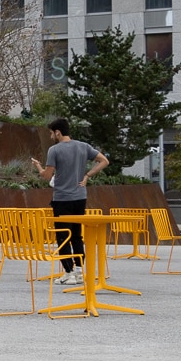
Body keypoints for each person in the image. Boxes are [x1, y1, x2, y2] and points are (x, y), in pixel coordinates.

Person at [31, 118, 109, 284]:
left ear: (58, 132)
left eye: (52, 133)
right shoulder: (83, 146)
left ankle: (68, 273)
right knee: (76, 235)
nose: (51, 136)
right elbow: (104, 161)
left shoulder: (54, 150)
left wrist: (38, 167)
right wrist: (87, 175)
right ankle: (80, 271)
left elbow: (47, 176)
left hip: (62, 198)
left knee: (62, 236)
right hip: (80, 197)